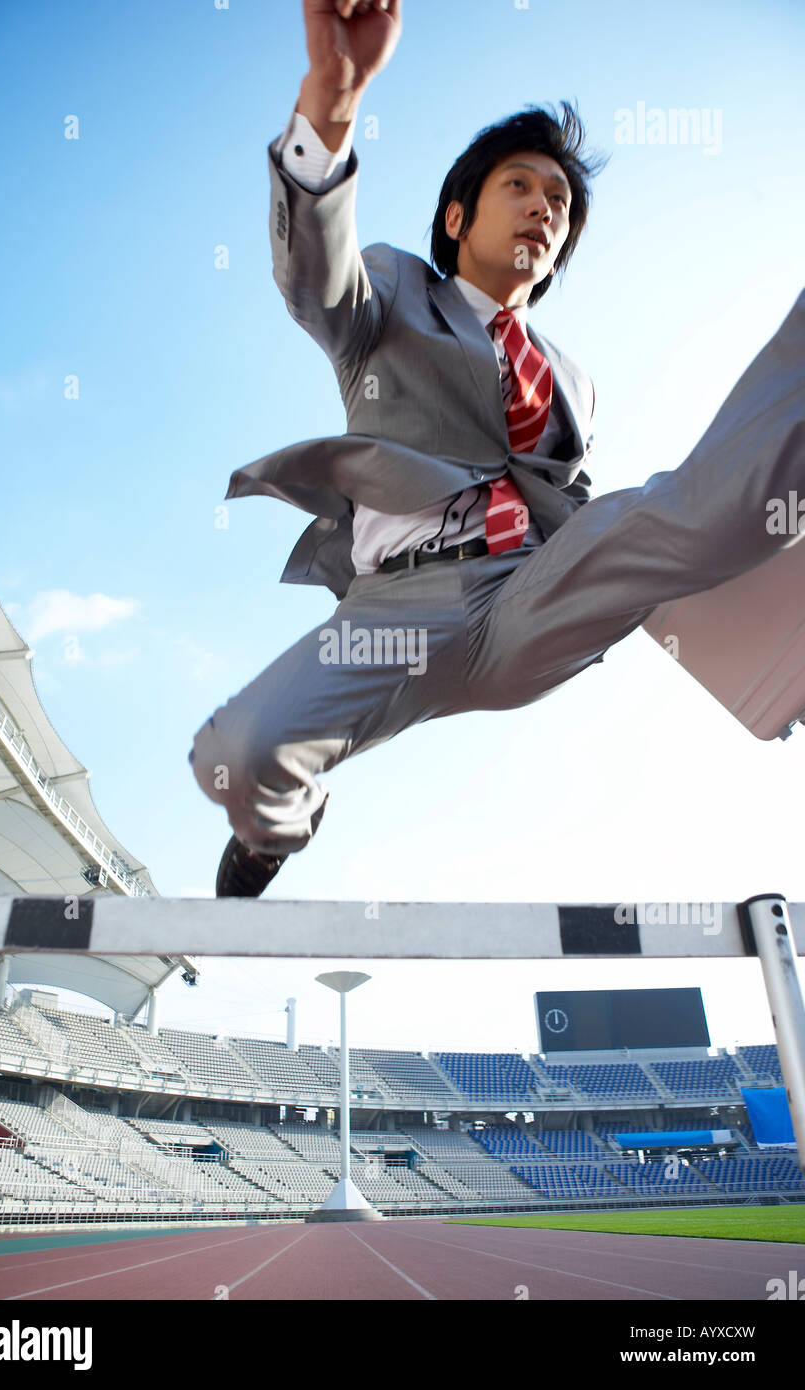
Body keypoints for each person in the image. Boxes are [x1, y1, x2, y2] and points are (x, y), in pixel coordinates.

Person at [189, 0, 804, 897]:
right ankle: (273, 835)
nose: (543, 210)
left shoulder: (571, 380)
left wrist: (757, 631)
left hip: (533, 594)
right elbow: (316, 276)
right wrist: (332, 101)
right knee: (240, 756)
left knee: (684, 506)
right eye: (520, 186)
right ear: (456, 217)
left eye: (559, 203)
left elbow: (622, 523)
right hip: (399, 614)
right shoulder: (395, 295)